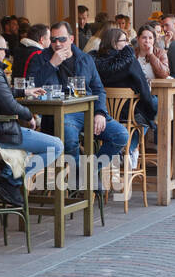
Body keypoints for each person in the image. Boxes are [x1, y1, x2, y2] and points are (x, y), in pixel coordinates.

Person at [0, 33, 63, 207]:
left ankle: (8, 177)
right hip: (0, 133)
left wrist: (23, 92)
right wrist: (29, 116)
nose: (6, 54)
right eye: (5, 50)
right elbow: (10, 106)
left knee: (31, 147)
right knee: (56, 146)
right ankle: (9, 180)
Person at [27, 21, 129, 176]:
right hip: (59, 115)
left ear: (71, 39)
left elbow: (98, 89)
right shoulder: (40, 59)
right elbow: (32, 86)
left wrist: (100, 112)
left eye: (62, 39)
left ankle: (87, 172)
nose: (57, 44)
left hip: (88, 111)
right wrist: (52, 64)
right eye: (53, 40)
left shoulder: (84, 59)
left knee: (120, 135)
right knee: (68, 135)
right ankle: (80, 177)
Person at [91, 25, 156, 142]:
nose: (127, 43)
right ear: (114, 43)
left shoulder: (93, 61)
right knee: (150, 109)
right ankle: (130, 150)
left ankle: (124, 151)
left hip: (102, 112)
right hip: (128, 114)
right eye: (124, 40)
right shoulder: (129, 60)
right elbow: (142, 85)